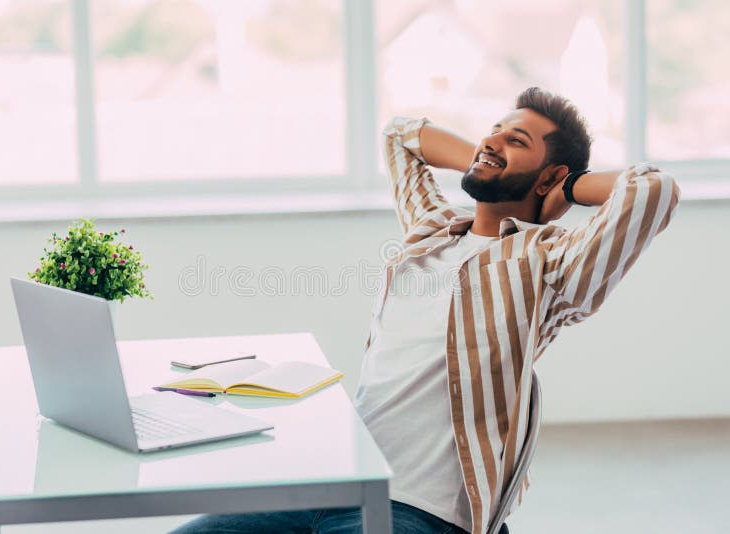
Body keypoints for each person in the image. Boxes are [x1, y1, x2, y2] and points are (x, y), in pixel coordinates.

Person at [170, 87, 679, 534]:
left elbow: (654, 191)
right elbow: (400, 135)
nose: (492, 140)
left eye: (516, 140)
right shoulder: (431, 229)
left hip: (419, 508)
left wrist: (562, 191)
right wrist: (490, 158)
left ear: (551, 175)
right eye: (494, 131)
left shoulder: (550, 263)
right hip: (337, 479)